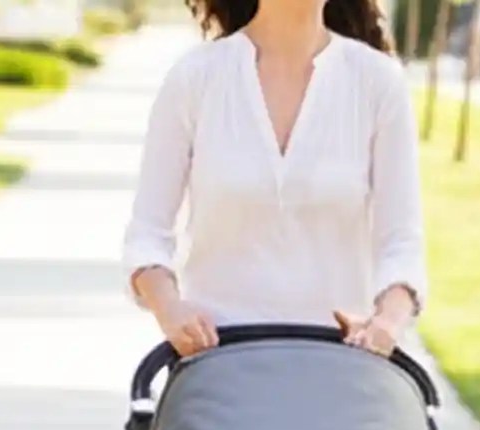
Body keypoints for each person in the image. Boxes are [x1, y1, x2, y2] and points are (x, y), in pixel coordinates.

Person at [120, 0, 426, 360]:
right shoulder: (195, 77)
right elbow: (147, 235)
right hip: (218, 362)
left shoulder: (378, 81)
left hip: (343, 365)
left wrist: (386, 324)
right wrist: (170, 310)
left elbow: (402, 243)